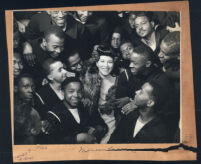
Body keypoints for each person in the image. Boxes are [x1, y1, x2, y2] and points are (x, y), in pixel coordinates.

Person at [46, 77, 106, 144]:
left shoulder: (84, 107)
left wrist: (96, 131)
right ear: (62, 92)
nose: (76, 95)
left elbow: (101, 125)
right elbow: (54, 140)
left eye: (79, 91)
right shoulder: (54, 114)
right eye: (71, 91)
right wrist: (80, 138)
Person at [114, 44, 170, 115]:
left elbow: (160, 108)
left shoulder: (160, 79)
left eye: (134, 63)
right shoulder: (126, 75)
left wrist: (135, 102)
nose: (130, 65)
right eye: (130, 61)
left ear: (147, 64)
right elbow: (120, 105)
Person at [82, 46, 120, 144]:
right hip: (92, 118)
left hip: (112, 118)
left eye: (110, 62)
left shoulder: (119, 79)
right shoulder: (87, 77)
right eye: (102, 61)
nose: (106, 66)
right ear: (97, 62)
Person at [23, 11, 91, 60]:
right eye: (56, 11)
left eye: (64, 11)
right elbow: (27, 37)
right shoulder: (38, 20)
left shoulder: (80, 28)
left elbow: (84, 53)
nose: (61, 15)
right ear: (48, 11)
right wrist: (26, 45)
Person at [14, 74, 42, 144]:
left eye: (32, 86)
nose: (31, 90)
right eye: (26, 87)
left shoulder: (33, 110)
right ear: (15, 88)